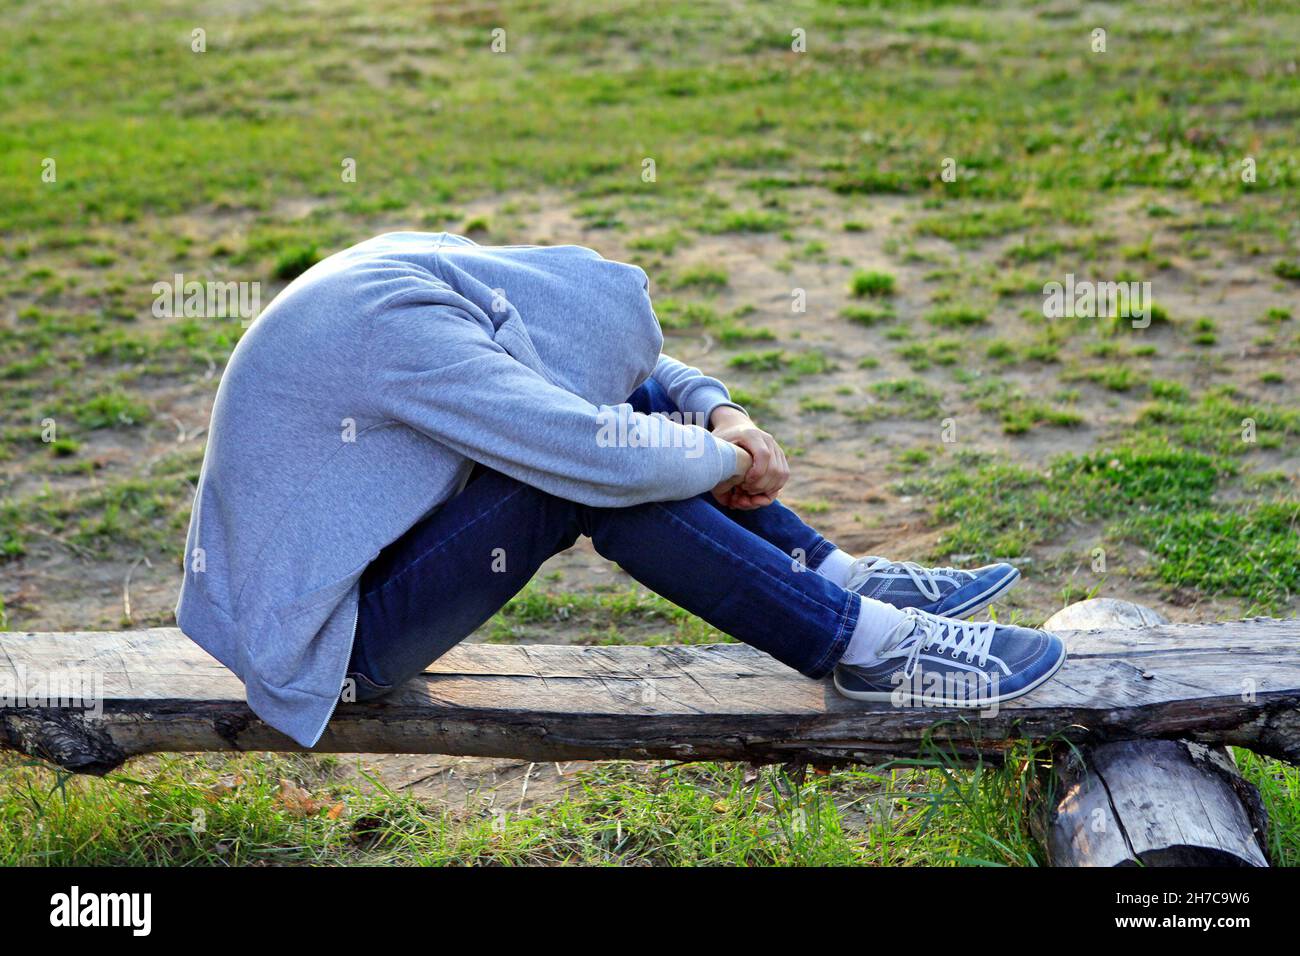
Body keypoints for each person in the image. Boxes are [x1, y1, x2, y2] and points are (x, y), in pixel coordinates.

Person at [176, 232, 1066, 748]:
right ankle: (868, 650)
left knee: (608, 421)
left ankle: (831, 578)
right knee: (577, 479)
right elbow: (605, 458)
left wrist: (725, 415)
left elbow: (642, 369)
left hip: (344, 575)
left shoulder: (449, 270)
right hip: (323, 647)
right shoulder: (405, 334)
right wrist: (730, 464)